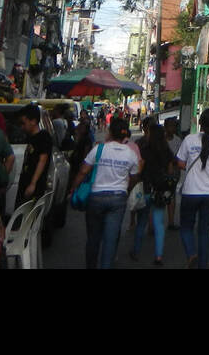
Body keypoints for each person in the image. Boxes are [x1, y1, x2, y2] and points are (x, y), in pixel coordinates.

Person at [71, 115, 142, 269]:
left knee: (93, 238)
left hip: (96, 197)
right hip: (118, 199)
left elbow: (83, 171)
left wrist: (73, 188)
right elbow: (135, 176)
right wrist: (126, 189)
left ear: (110, 132)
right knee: (111, 239)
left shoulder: (99, 148)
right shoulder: (130, 153)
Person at [175, 107, 209, 269]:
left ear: (201, 123)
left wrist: (193, 168)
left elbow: (180, 162)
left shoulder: (189, 140)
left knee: (186, 227)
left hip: (190, 192)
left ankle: (191, 254)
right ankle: (202, 266)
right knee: (204, 232)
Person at [131, 119, 175, 265]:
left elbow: (139, 169)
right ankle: (158, 256)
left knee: (142, 222)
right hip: (160, 190)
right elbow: (170, 170)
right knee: (159, 223)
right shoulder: (166, 151)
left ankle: (136, 251)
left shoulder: (143, 150)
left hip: (145, 189)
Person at [15, 103, 53, 209]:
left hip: (35, 186)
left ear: (34, 121)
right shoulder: (29, 137)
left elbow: (42, 160)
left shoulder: (43, 137)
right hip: (24, 182)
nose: (22, 127)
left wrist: (33, 183)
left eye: (23, 123)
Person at [163, 117, 183, 228]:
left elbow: (180, 157)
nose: (173, 128)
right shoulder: (160, 140)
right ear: (165, 127)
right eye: (171, 126)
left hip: (174, 171)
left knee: (172, 194)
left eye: (174, 126)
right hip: (161, 171)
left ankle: (171, 221)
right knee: (160, 194)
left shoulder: (177, 140)